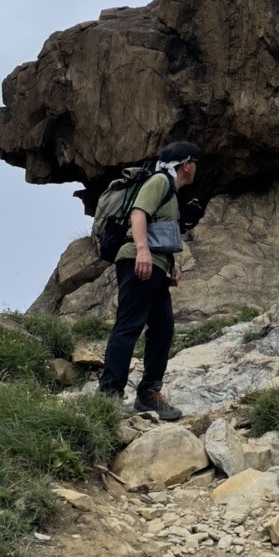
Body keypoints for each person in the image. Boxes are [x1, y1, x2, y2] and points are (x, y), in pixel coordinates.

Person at [98, 140, 201, 420]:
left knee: (163, 328)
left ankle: (148, 394)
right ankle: (109, 396)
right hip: (138, 261)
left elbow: (161, 230)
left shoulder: (171, 192)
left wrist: (172, 263)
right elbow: (139, 213)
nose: (196, 168)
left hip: (156, 265)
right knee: (129, 326)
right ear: (185, 164)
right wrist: (142, 250)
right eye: (195, 162)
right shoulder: (159, 181)